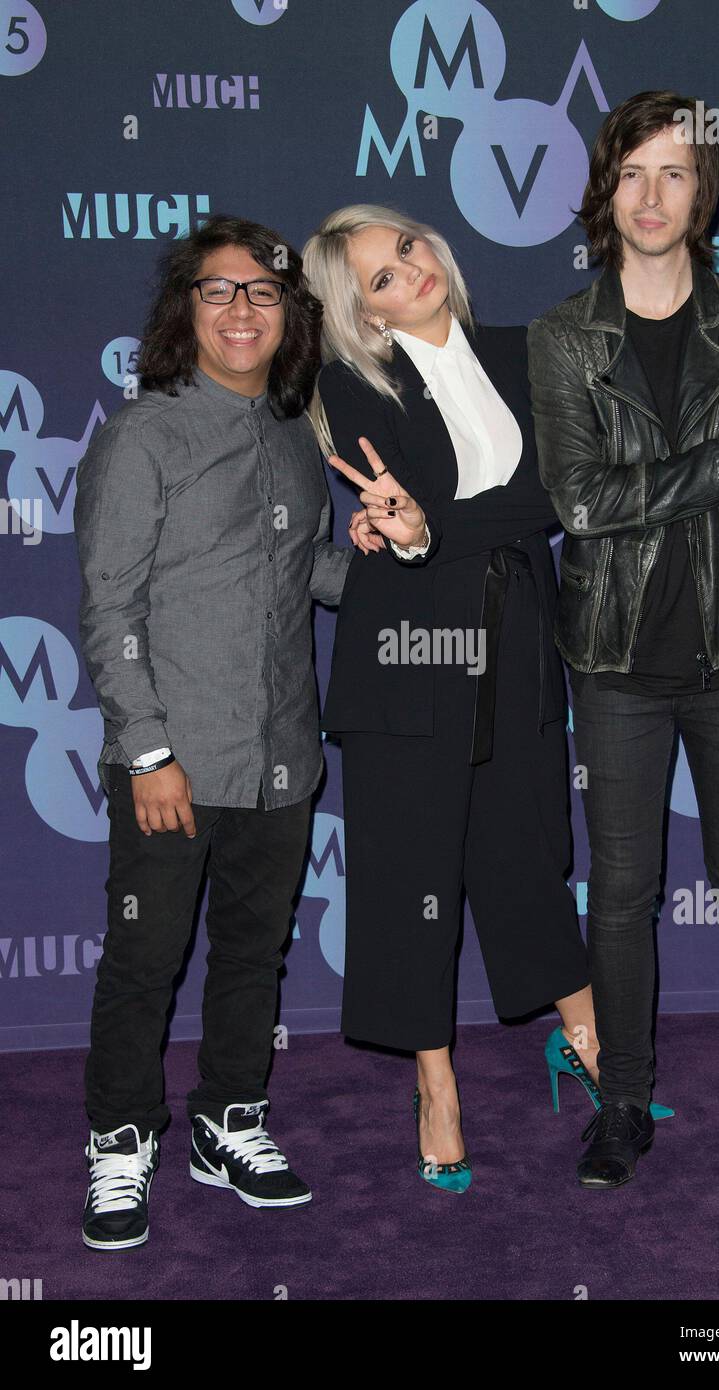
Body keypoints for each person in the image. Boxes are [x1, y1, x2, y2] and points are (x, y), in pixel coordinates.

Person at [303, 203, 624, 1195]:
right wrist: (414, 530)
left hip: (521, 646)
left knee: (526, 846)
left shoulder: (524, 350)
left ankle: (588, 1036)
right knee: (410, 875)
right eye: (381, 280)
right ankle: (434, 1088)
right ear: (359, 314)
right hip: (406, 662)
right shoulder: (349, 383)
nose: (410, 272)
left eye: (406, 248)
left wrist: (435, 522)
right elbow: (411, 512)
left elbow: (567, 493)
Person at [528, 91, 719, 1194]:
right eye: (633, 173)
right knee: (622, 891)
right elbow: (585, 503)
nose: (653, 196)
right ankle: (625, 1107)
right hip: (615, 661)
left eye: (677, 173)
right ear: (608, 190)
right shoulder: (564, 336)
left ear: (705, 193)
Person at [73, 213, 351, 1249]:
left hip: (281, 756)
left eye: (263, 292)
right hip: (174, 761)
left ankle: (228, 1121)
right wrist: (146, 750)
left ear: (291, 316)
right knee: (145, 962)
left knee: (252, 956)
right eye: (218, 291)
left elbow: (313, 574)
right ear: (184, 311)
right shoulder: (144, 434)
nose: (241, 309)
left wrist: (381, 544)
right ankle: (116, 1140)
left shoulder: (294, 432)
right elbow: (110, 605)